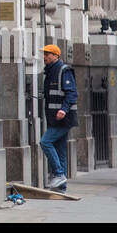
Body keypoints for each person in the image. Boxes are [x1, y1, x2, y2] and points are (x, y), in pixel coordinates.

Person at [39, 44, 78, 189]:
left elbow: (72, 93)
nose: (44, 57)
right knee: (60, 149)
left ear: (55, 56)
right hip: (54, 118)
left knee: (45, 142)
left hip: (63, 119)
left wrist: (63, 109)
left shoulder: (63, 70)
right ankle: (62, 187)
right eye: (44, 54)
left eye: (47, 54)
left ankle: (59, 174)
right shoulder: (50, 72)